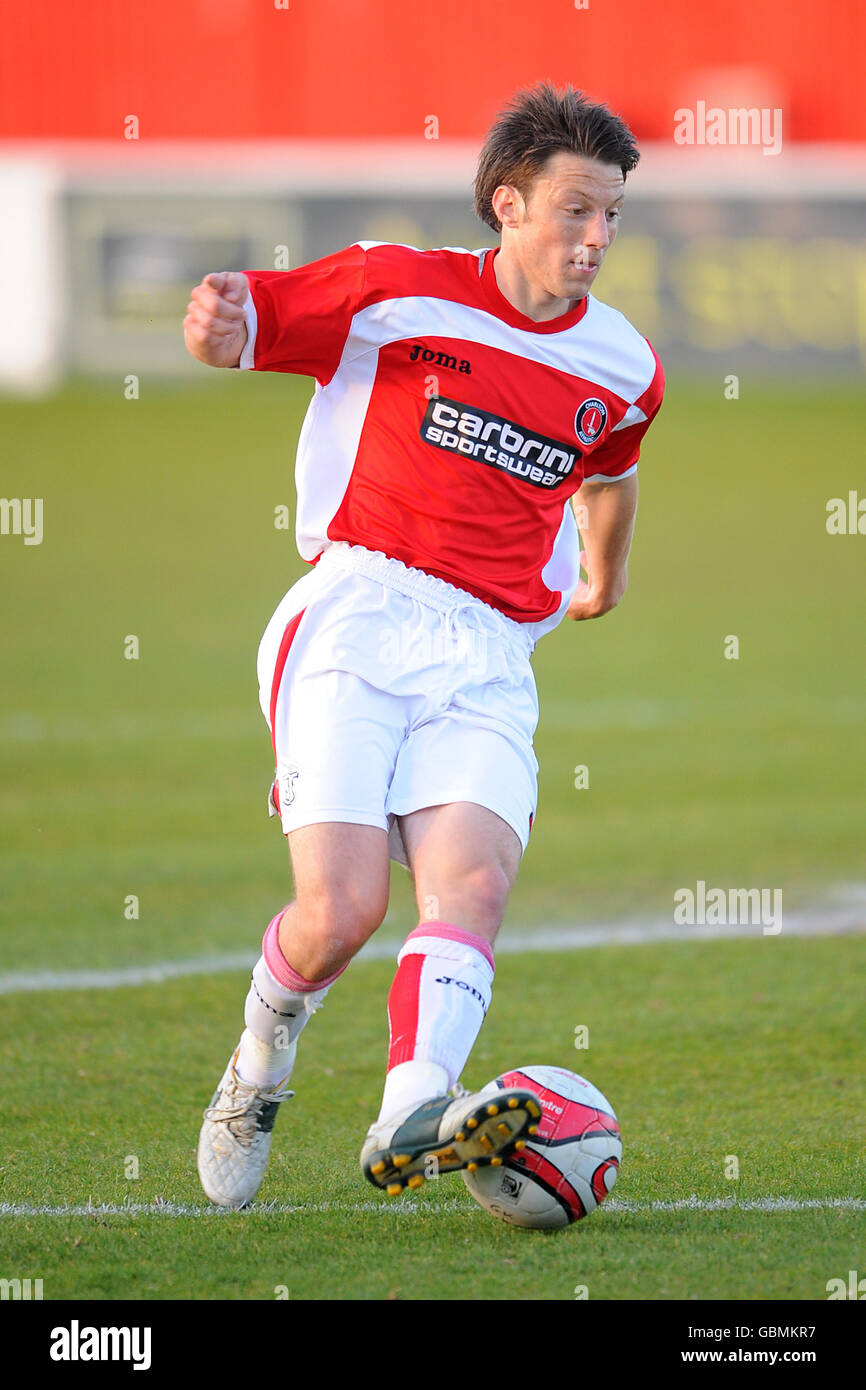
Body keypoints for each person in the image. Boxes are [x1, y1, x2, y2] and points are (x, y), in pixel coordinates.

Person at [183, 81, 665, 1208]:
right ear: (506, 203)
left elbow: (613, 470)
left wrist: (607, 574)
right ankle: (258, 1061)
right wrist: (218, 325)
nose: (595, 238)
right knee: (339, 912)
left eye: (612, 218)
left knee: (473, 883)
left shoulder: (621, 364)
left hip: (491, 653)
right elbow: (250, 317)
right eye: (574, 212)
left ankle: (414, 1100)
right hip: (358, 614)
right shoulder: (394, 289)